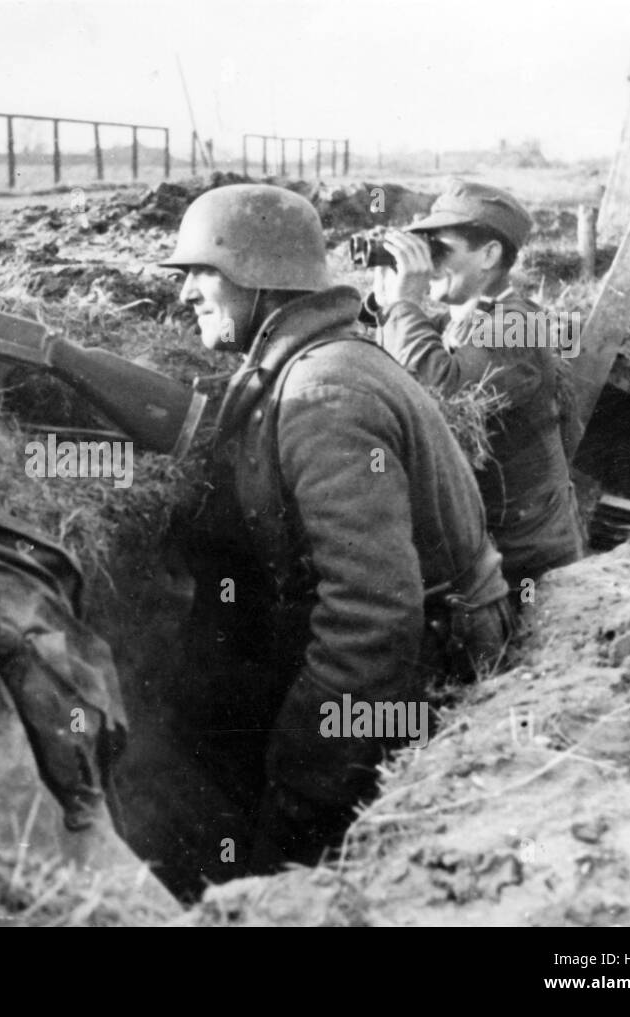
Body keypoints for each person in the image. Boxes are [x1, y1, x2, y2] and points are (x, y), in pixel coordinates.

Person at [160, 183, 514, 870]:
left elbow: (374, 613)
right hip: (406, 646)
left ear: (257, 277)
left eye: (201, 271)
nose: (185, 294)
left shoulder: (324, 393)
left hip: (421, 667)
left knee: (294, 842)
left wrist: (301, 777)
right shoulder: (306, 363)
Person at [362, 179, 584, 593]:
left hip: (530, 562)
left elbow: (442, 390)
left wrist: (405, 305)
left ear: (489, 255)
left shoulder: (516, 327)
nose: (429, 265)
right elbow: (391, 374)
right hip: (490, 539)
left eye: (440, 250)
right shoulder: (461, 320)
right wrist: (384, 303)